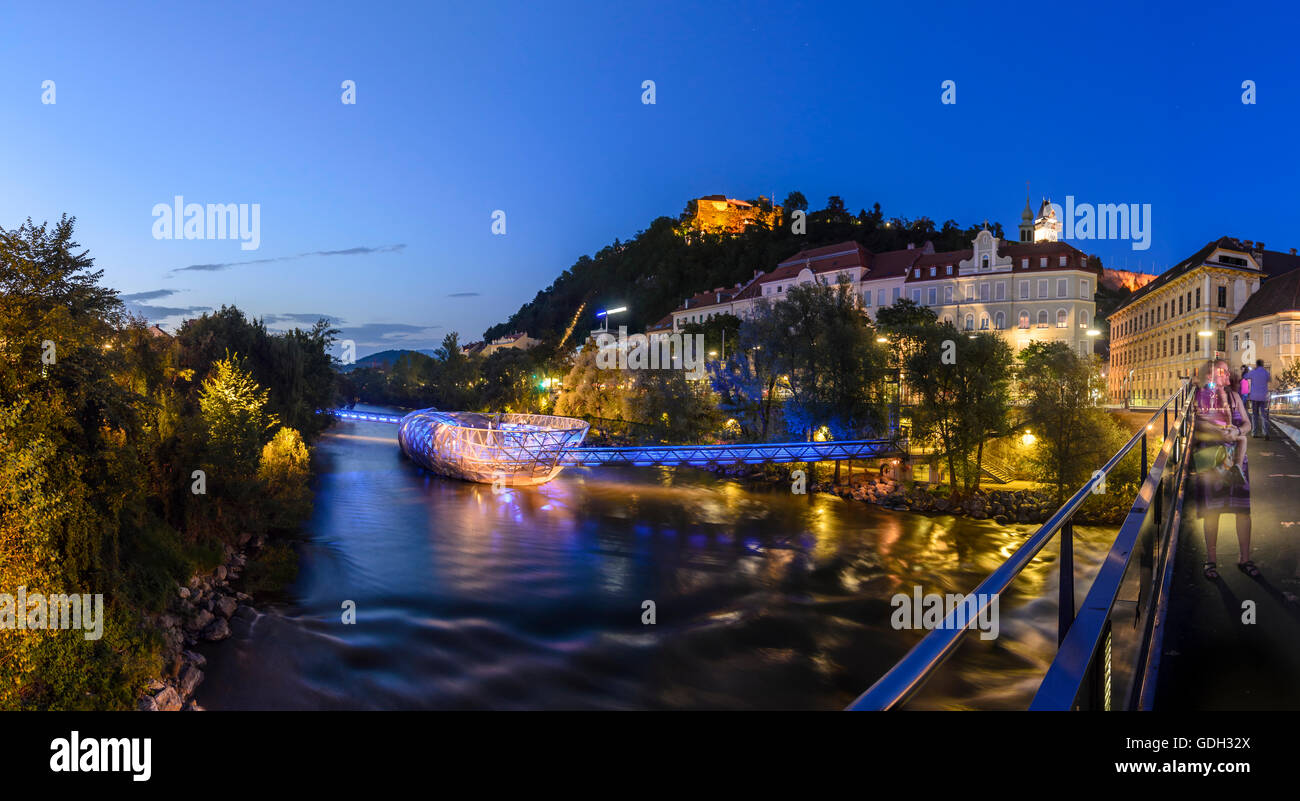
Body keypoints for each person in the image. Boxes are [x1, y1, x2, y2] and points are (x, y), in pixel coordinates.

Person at [1193, 359, 1257, 580]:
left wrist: (1237, 431)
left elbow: (1248, 424)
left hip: (1237, 458)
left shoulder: (1234, 397)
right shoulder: (1202, 395)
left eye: (1228, 371)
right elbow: (1198, 422)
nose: (1227, 374)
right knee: (1213, 512)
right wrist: (1219, 432)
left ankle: (1245, 558)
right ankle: (1211, 561)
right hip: (1212, 458)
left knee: (1243, 511)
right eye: (1223, 371)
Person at [1245, 358, 1271, 440]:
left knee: (1255, 415)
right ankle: (1265, 432)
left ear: (1256, 364)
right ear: (1262, 364)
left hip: (1254, 397)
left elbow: (1245, 377)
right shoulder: (1266, 372)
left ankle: (1254, 432)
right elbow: (1269, 379)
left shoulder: (1253, 372)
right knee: (1264, 415)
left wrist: (1249, 370)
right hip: (1263, 397)